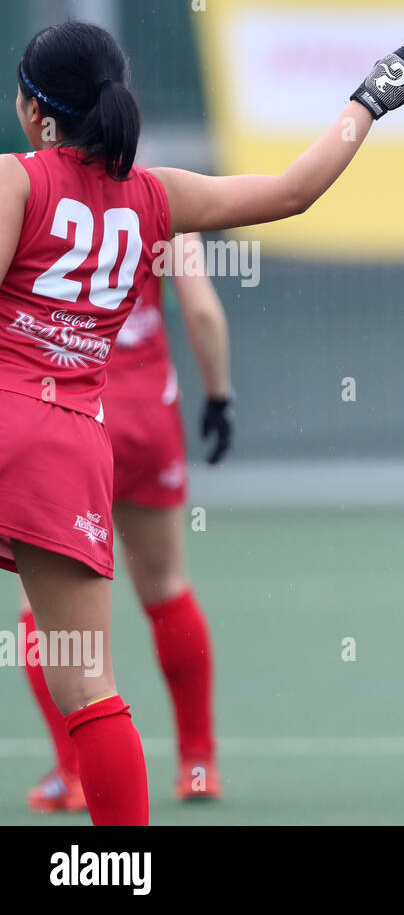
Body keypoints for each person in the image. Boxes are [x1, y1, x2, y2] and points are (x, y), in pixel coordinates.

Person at [1, 20, 404, 824]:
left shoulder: (15, 179)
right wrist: (370, 100)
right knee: (91, 686)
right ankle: (119, 864)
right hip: (71, 438)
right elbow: (292, 191)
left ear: (35, 111)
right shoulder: (159, 197)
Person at [21, 231, 233, 812]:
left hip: (68, 411)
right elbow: (204, 313)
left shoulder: (30, 195)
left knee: (42, 612)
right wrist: (219, 396)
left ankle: (74, 770)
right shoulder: (158, 202)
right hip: (148, 414)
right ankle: (197, 762)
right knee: (166, 588)